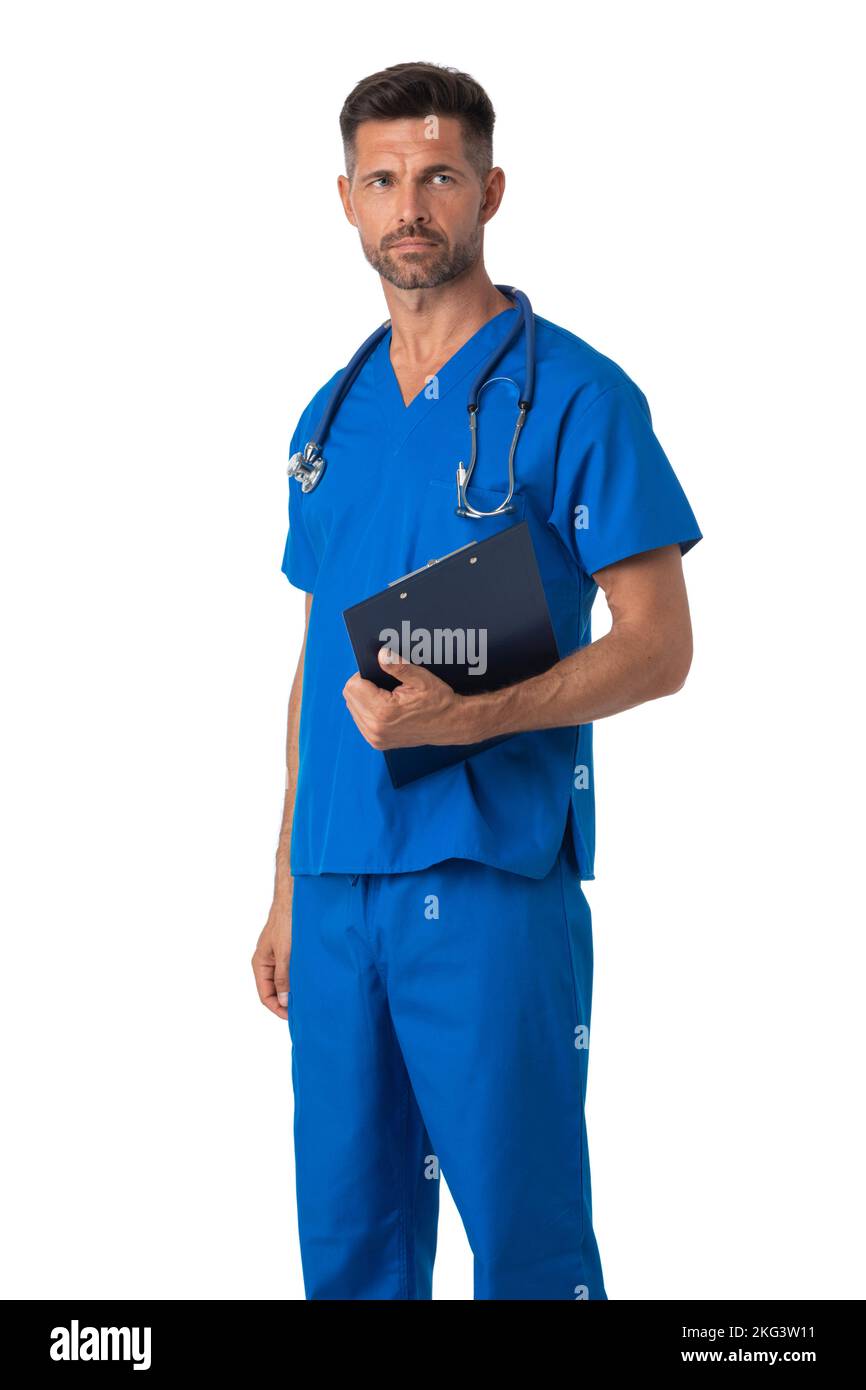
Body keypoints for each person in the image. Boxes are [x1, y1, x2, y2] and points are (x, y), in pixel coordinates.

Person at [251, 60, 702, 1301]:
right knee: (348, 1247)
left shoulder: (577, 398)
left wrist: (478, 714)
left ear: (488, 189)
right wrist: (288, 882)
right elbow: (311, 666)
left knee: (527, 1245)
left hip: (492, 874)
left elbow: (658, 644)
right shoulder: (327, 421)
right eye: (384, 179)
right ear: (344, 199)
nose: (411, 205)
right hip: (339, 891)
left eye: (439, 176)